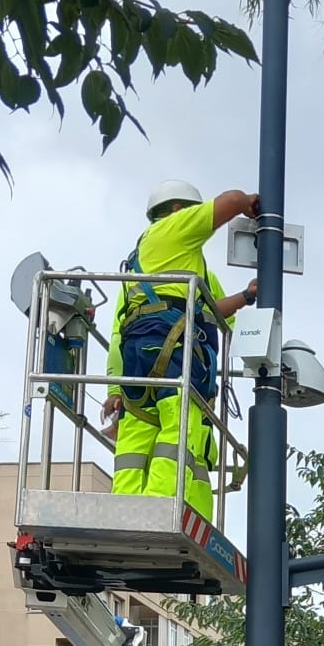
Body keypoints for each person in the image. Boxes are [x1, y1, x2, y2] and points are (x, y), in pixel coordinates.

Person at [103, 180, 260, 519]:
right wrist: (248, 202)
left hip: (139, 351)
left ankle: (125, 508)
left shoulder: (156, 266)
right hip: (173, 348)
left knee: (139, 426)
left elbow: (211, 308)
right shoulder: (174, 229)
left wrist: (245, 297)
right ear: (176, 210)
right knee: (178, 423)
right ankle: (160, 503)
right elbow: (230, 201)